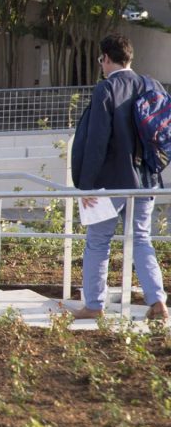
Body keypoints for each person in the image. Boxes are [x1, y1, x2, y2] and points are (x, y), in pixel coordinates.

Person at [70, 32, 167, 321]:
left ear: (107, 59)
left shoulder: (106, 89)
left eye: (101, 60)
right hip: (147, 179)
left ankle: (94, 305)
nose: (101, 65)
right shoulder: (152, 84)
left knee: (98, 241)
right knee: (141, 239)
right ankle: (158, 302)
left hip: (110, 182)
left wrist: (86, 185)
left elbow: (97, 140)